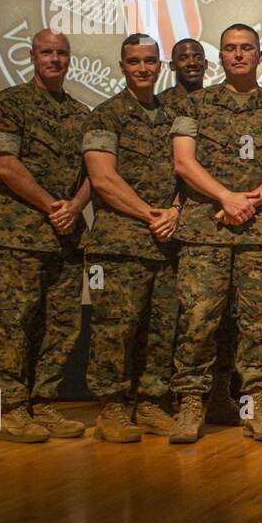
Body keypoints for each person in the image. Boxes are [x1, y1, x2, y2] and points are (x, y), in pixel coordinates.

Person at [165, 24, 262, 444]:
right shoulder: (195, 105)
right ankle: (191, 403)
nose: (238, 55)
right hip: (206, 230)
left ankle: (255, 404)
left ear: (260, 56)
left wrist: (249, 202)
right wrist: (226, 197)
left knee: (260, 324)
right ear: (220, 57)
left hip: (260, 234)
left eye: (246, 49)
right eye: (230, 49)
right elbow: (184, 164)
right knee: (198, 319)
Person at [0, 29, 90, 442]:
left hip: (66, 239)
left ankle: (44, 403)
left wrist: (76, 207)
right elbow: (6, 167)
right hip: (18, 237)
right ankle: (12, 409)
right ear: (33, 57)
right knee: (14, 323)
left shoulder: (82, 114)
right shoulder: (9, 104)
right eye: (46, 52)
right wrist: (53, 206)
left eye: (61, 53)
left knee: (61, 325)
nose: (54, 59)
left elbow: (94, 175)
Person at [81, 34, 181, 442]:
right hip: (118, 244)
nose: (143, 68)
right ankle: (111, 408)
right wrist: (150, 213)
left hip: (165, 242)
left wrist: (174, 211)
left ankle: (151, 403)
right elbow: (103, 180)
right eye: (134, 61)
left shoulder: (175, 116)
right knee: (115, 328)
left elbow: (186, 170)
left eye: (150, 61)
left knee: (162, 328)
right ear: (122, 67)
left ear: (160, 66)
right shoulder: (105, 116)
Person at [162, 37, 239, 426]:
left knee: (223, 321)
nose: (191, 63)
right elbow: (176, 165)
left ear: (207, 63)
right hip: (178, 226)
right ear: (172, 64)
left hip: (221, 223)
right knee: (185, 319)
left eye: (197, 57)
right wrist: (172, 208)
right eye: (183, 58)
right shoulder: (165, 105)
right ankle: (173, 402)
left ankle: (219, 396)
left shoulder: (217, 101)